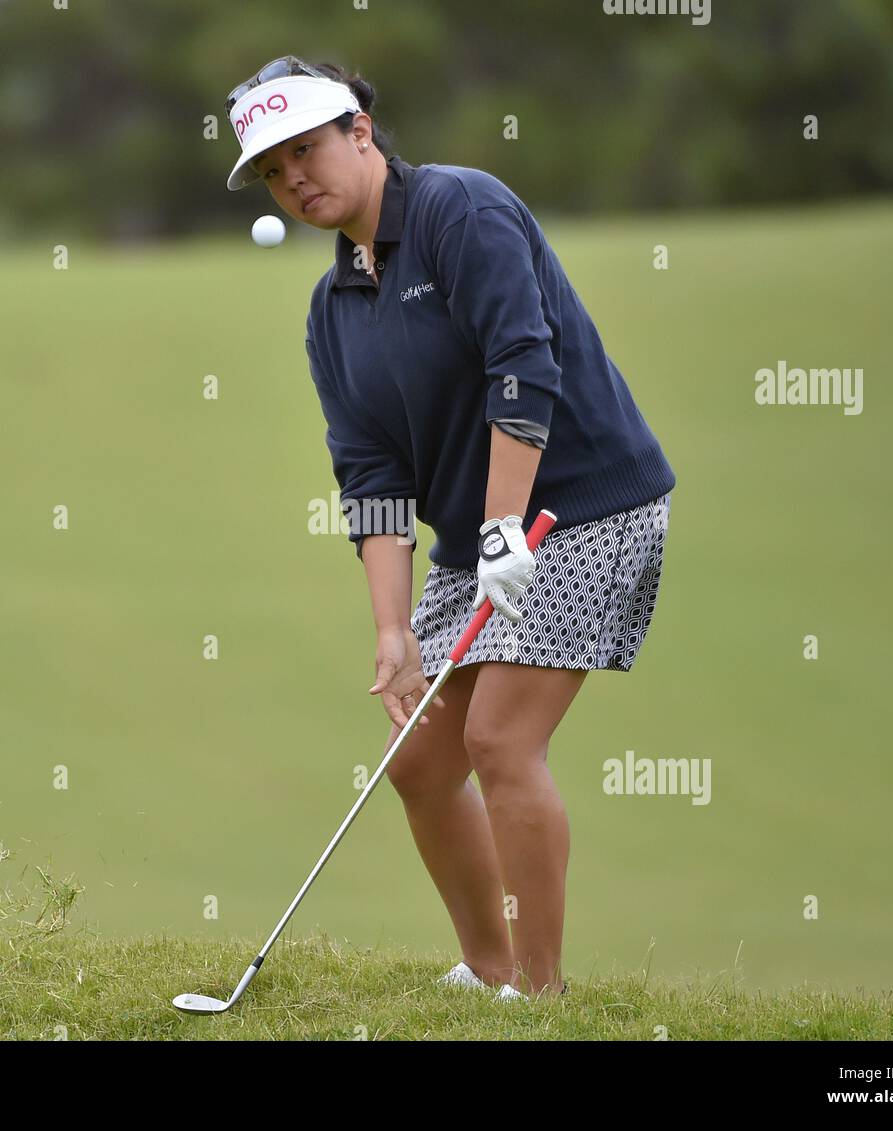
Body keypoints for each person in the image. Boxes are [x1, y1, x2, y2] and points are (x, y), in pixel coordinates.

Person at [224, 56, 676, 1000]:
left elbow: (525, 366)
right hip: (482, 536)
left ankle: (540, 996)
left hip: (585, 505)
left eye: (306, 149)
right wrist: (393, 630)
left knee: (501, 741)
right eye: (272, 169)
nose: (294, 178)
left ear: (359, 131)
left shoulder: (460, 212)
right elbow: (373, 476)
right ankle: (488, 964)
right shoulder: (333, 307)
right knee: (422, 754)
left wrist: (507, 528)